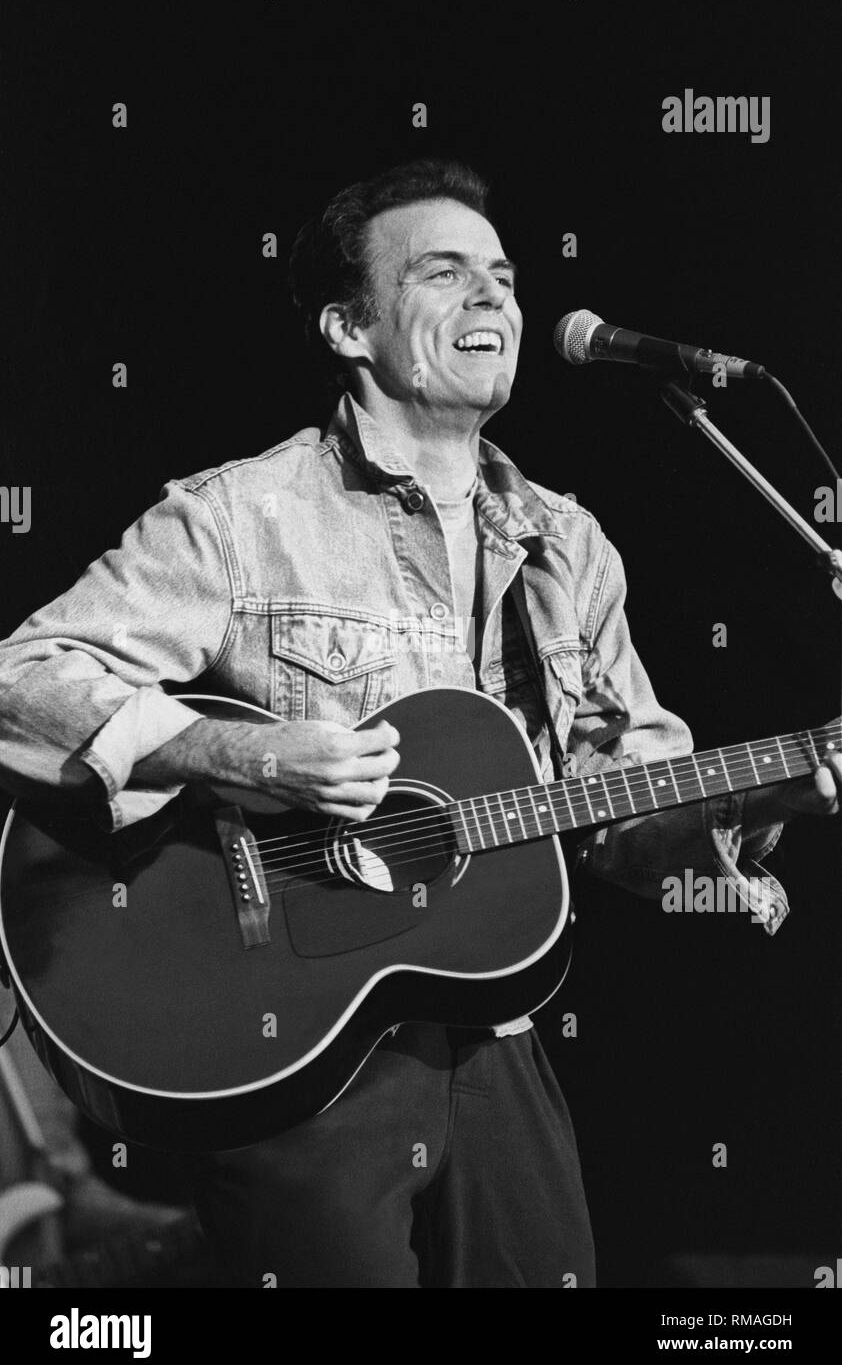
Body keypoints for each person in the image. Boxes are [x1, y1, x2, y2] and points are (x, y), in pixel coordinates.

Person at [0, 159, 838, 1289]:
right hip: (289, 1048)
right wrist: (245, 752)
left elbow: (623, 816)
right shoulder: (243, 518)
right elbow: (26, 674)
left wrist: (785, 783)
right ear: (348, 326)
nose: (493, 297)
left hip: (494, 1036)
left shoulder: (566, 546)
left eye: (501, 275)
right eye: (444, 274)